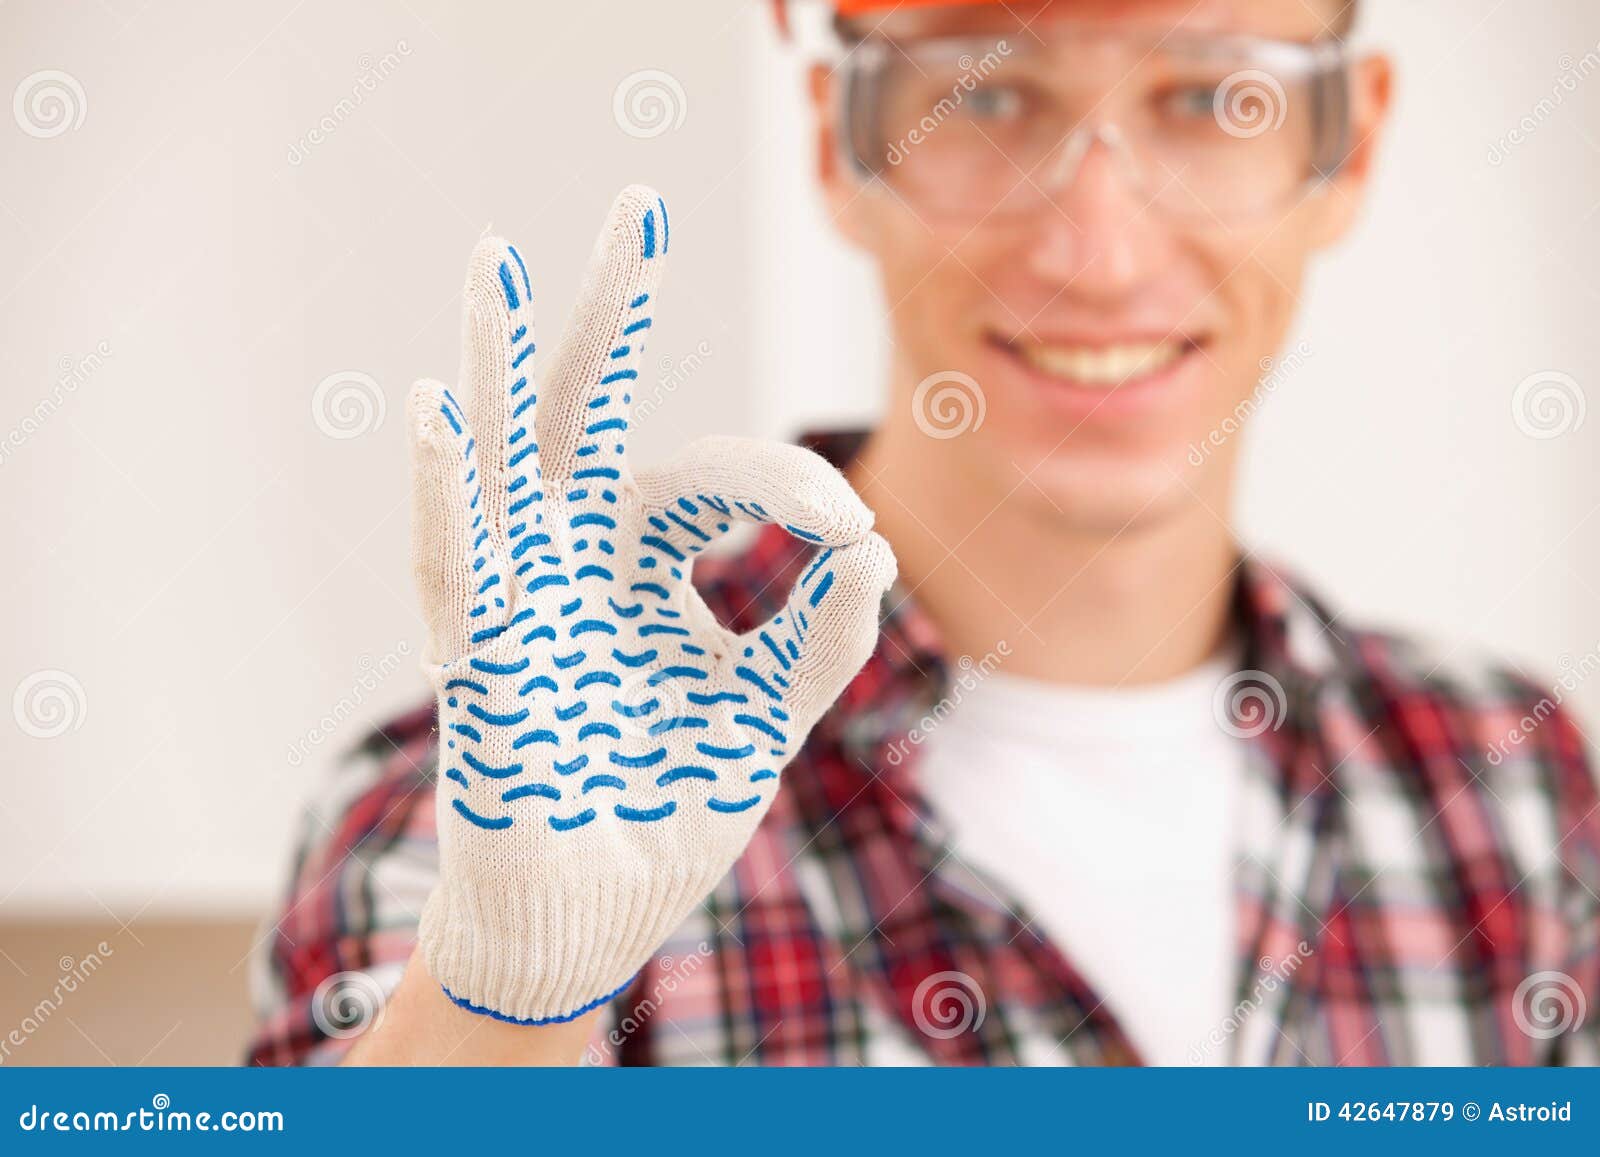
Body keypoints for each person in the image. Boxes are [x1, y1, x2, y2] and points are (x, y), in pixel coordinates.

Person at [248, 0, 1600, 1066]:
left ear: (1349, 145)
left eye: (1211, 96)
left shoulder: (1510, 788)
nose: (1098, 251)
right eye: (985, 93)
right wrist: (501, 1014)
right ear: (841, 137)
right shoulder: (482, 816)